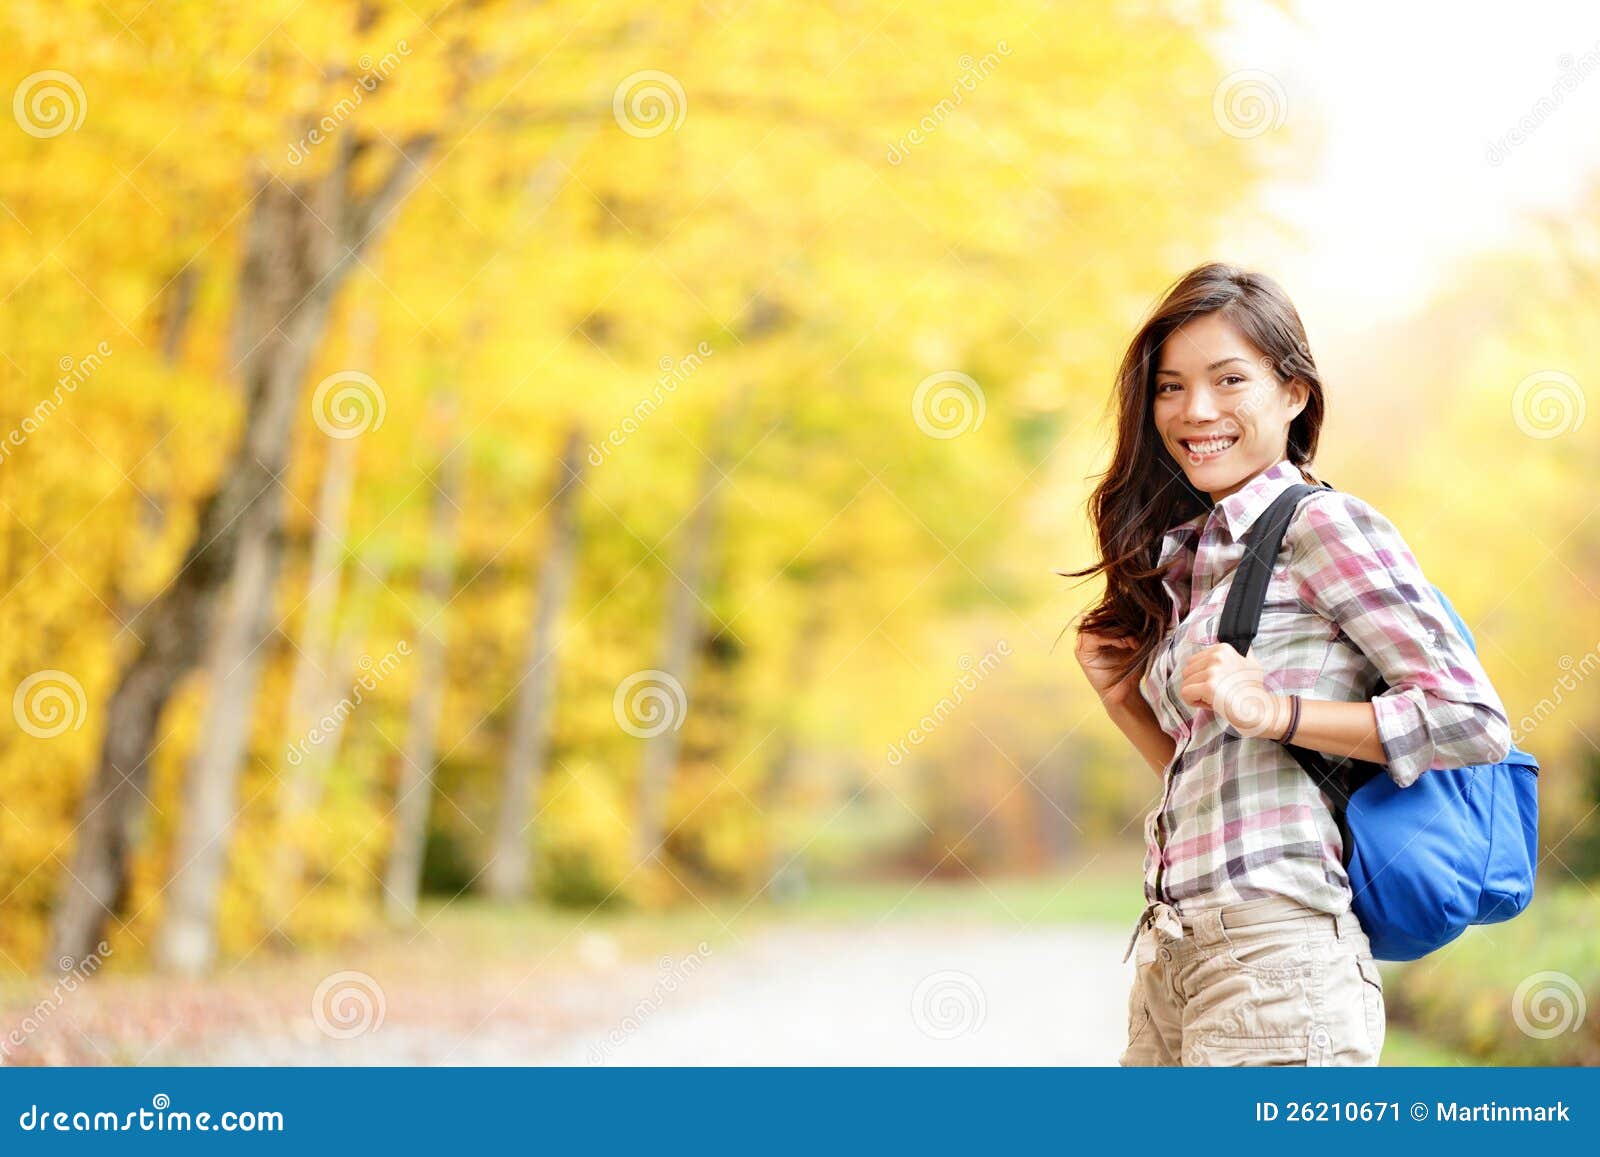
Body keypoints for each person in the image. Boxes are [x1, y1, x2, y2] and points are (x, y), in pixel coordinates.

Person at [1067, 262, 1512, 1066]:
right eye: (1169, 387)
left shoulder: (1324, 526)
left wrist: (1282, 711)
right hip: (1174, 958)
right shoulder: (1202, 564)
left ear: (1294, 392)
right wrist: (1126, 702)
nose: (1195, 410)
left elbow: (1471, 719)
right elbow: (1222, 783)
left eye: (1228, 379)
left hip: (1276, 960)